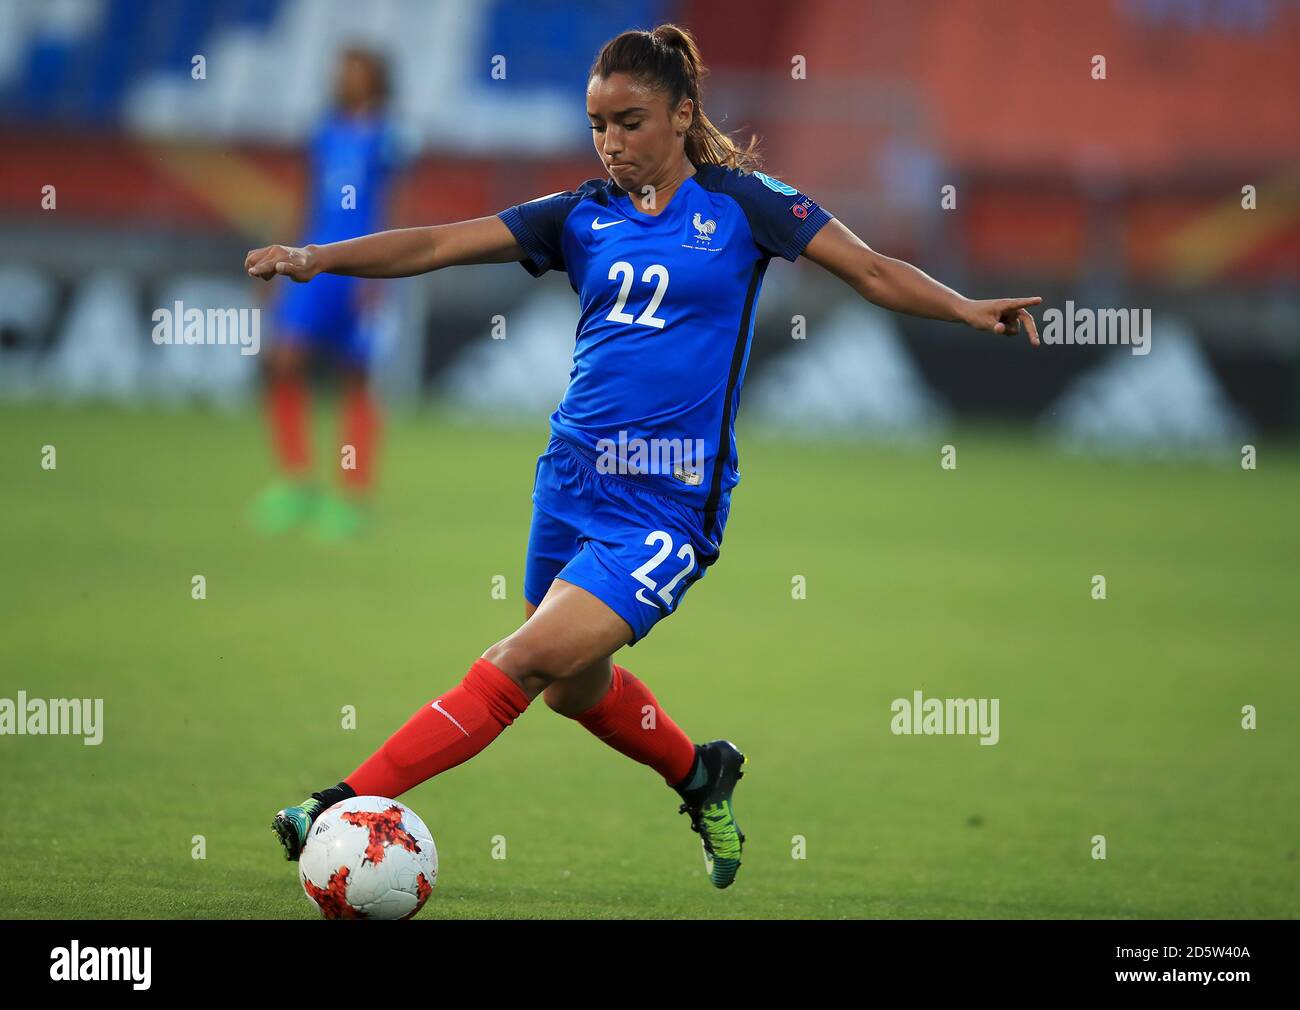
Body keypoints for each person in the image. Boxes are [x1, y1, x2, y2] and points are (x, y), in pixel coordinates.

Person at [246, 24, 1040, 891]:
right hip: (570, 479)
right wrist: (314, 257)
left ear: (681, 114)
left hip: (667, 506)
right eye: (598, 125)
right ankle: (702, 774)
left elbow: (872, 270)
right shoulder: (580, 217)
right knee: (572, 690)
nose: (612, 143)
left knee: (520, 663)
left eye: (630, 122)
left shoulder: (746, 205)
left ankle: (335, 802)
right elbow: (439, 243)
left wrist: (964, 307)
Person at [252, 48, 399, 539]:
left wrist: (380, 274)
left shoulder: (388, 137)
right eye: (342, 71)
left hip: (358, 269)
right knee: (283, 361)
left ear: (375, 79)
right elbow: (304, 198)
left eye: (356, 70)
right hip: (312, 266)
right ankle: (296, 482)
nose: (346, 78)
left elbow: (395, 208)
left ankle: (351, 495)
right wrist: (283, 257)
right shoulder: (324, 133)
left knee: (356, 377)